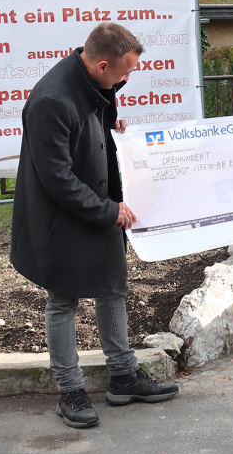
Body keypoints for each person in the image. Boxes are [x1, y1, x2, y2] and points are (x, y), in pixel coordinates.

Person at [11, 23, 178, 429]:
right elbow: (57, 178)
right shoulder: (51, 101)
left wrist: (112, 131)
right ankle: (70, 390)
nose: (127, 79)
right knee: (63, 301)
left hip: (102, 206)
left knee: (113, 289)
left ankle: (123, 376)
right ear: (102, 65)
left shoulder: (96, 83)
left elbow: (89, 131)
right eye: (124, 72)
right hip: (62, 220)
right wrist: (107, 210)